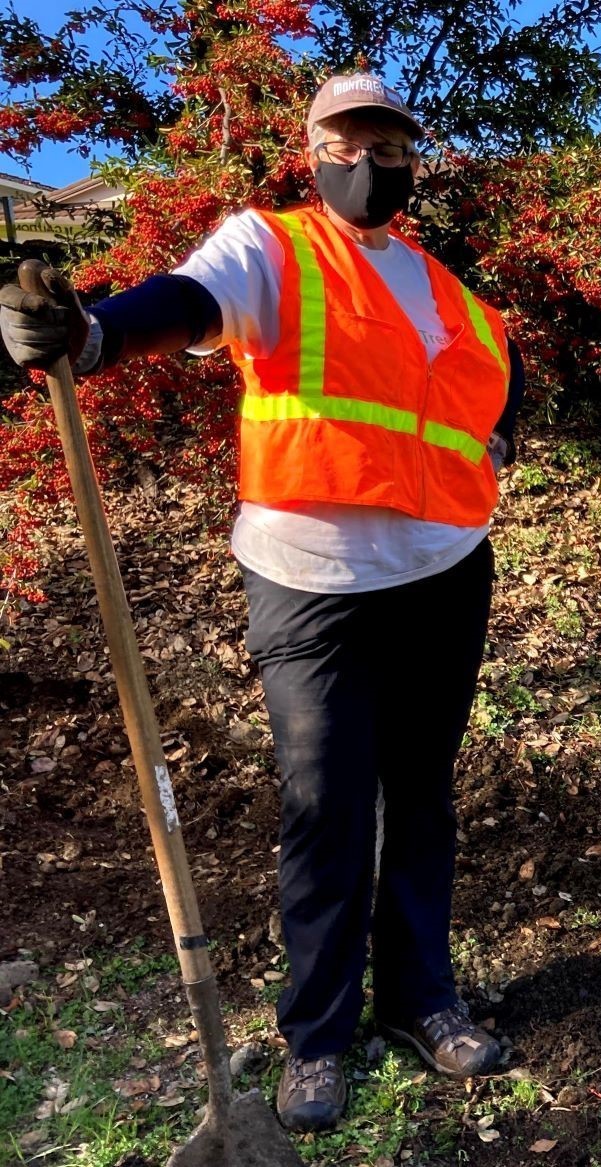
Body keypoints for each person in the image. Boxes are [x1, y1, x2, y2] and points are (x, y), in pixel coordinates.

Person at [1, 74, 525, 1133]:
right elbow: (187, 303)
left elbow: (491, 396)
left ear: (412, 158)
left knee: (421, 797)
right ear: (314, 147)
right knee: (327, 808)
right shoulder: (271, 249)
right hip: (314, 581)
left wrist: (504, 435)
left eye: (390, 143)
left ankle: (423, 998)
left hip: (447, 570)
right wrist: (95, 337)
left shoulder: (451, 291)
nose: (371, 159)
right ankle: (319, 1036)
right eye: (351, 139)